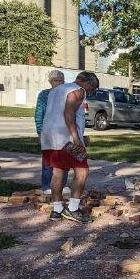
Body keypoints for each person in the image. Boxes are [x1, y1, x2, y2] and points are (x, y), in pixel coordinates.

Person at [39, 71, 99, 223]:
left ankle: (57, 210)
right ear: (87, 83)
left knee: (58, 171)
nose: (90, 92)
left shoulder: (56, 90)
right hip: (67, 139)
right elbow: (68, 114)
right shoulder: (78, 91)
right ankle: (73, 209)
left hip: (48, 138)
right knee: (82, 171)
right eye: (92, 88)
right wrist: (76, 139)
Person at [33, 70, 69, 197]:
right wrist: (39, 132)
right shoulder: (44, 95)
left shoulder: (67, 94)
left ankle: (62, 185)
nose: (58, 83)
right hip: (48, 132)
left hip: (64, 132)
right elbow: (39, 114)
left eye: (61, 81)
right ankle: (47, 185)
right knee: (48, 161)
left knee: (64, 160)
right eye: (55, 81)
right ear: (50, 82)